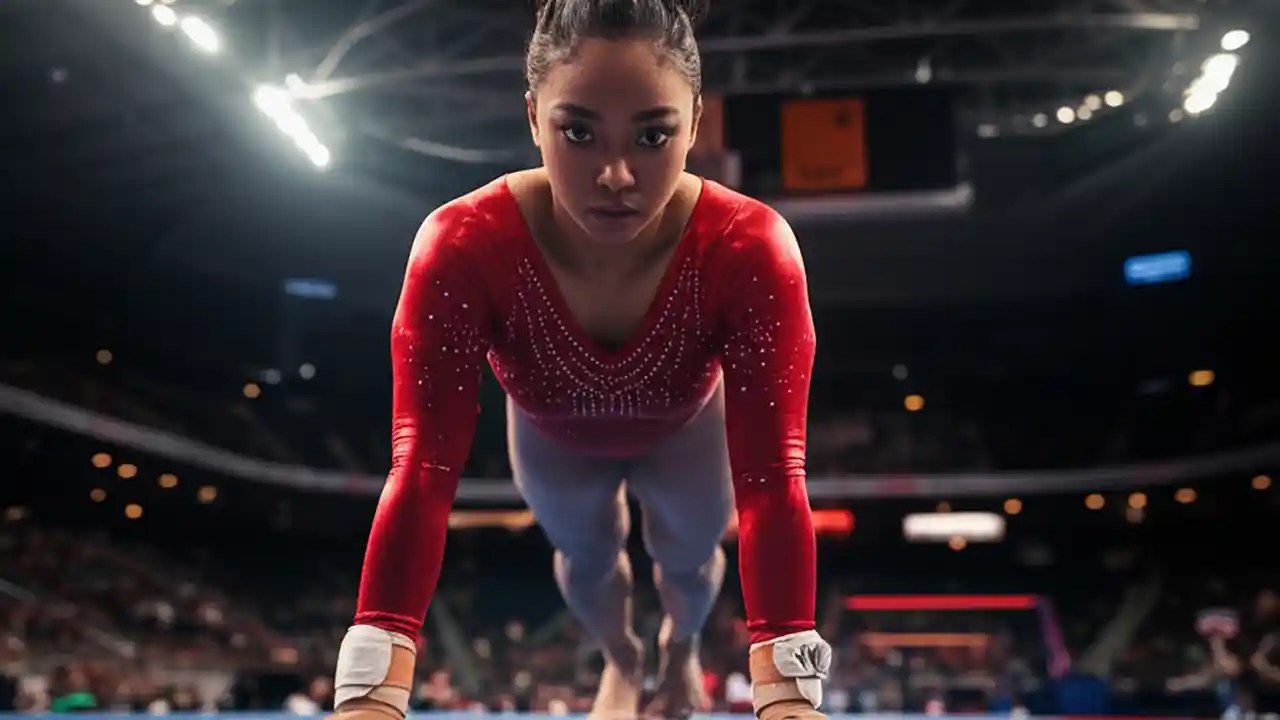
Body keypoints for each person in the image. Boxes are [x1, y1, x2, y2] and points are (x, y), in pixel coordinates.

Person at [328, 1, 831, 719]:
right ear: (534, 118)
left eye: (653, 134)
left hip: (687, 431)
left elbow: (774, 482)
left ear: (697, 121)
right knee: (590, 563)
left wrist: (790, 693)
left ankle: (680, 649)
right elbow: (421, 471)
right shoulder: (463, 245)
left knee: (688, 563)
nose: (617, 174)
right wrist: (371, 691)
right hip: (552, 437)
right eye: (579, 132)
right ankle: (623, 660)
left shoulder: (748, 247)